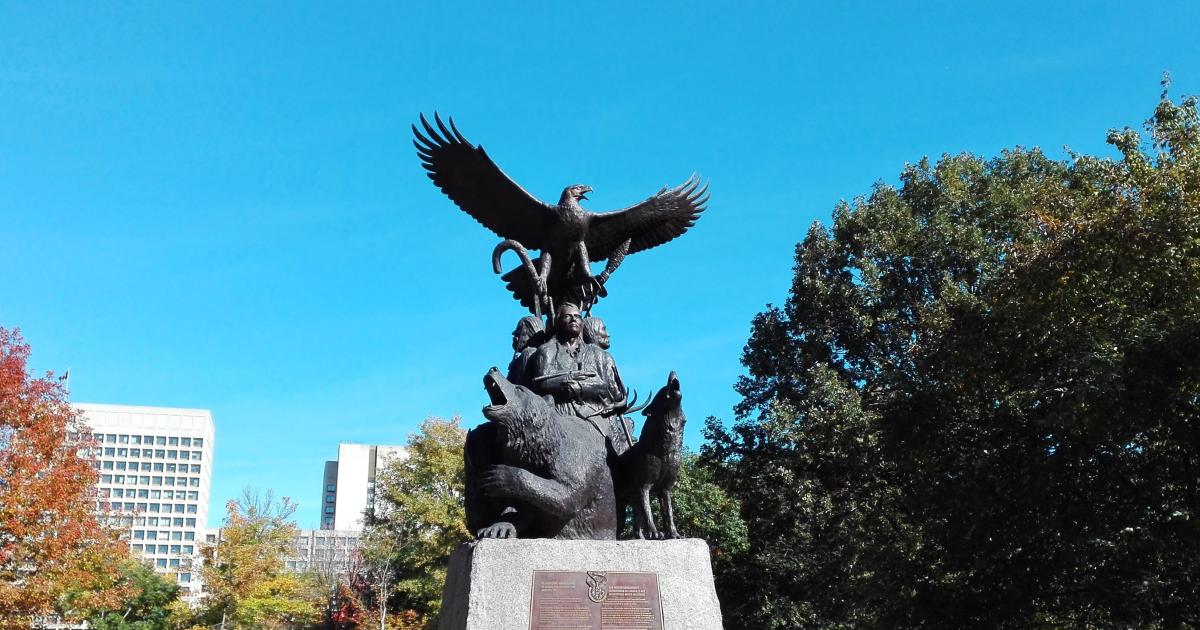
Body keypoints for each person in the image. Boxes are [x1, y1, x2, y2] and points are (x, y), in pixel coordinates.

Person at [528, 303, 626, 442]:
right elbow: (540, 384)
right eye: (568, 316)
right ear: (558, 321)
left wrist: (584, 387)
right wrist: (568, 379)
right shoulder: (547, 351)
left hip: (594, 417)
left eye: (577, 316)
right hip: (558, 416)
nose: (574, 319)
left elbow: (616, 395)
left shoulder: (599, 355)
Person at [506, 315, 545, 386]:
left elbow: (520, 387)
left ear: (531, 334)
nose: (514, 337)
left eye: (518, 333)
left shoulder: (528, 354)